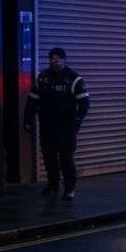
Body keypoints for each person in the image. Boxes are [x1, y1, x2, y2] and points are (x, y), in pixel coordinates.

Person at [22, 47, 90, 200]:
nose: (55, 62)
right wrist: (27, 119)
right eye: (53, 59)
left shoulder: (74, 79)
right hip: (47, 123)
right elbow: (33, 100)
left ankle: (69, 188)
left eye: (58, 59)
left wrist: (78, 120)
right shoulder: (42, 78)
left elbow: (85, 102)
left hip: (66, 124)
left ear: (64, 60)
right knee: (49, 156)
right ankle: (53, 185)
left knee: (66, 156)